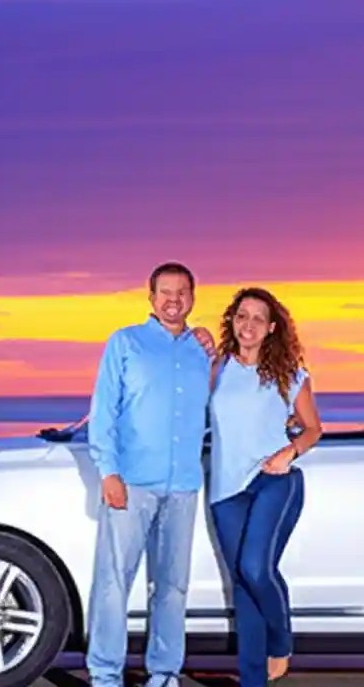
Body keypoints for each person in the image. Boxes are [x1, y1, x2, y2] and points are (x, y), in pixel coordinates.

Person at [84, 261, 216, 687]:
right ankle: (105, 675)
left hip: (183, 486)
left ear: (193, 298)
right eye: (165, 292)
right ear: (151, 298)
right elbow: (103, 412)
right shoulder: (125, 343)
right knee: (112, 584)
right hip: (132, 483)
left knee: (172, 587)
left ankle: (164, 674)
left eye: (181, 292)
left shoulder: (202, 352)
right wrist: (109, 472)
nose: (173, 300)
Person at [207, 287, 323, 686]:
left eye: (258, 318)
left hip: (272, 480)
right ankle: (252, 681)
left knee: (256, 569)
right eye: (242, 316)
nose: (249, 324)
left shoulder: (289, 374)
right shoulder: (217, 368)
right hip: (224, 489)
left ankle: (281, 641)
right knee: (241, 582)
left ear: (272, 328)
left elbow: (312, 429)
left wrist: (288, 452)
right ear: (232, 321)